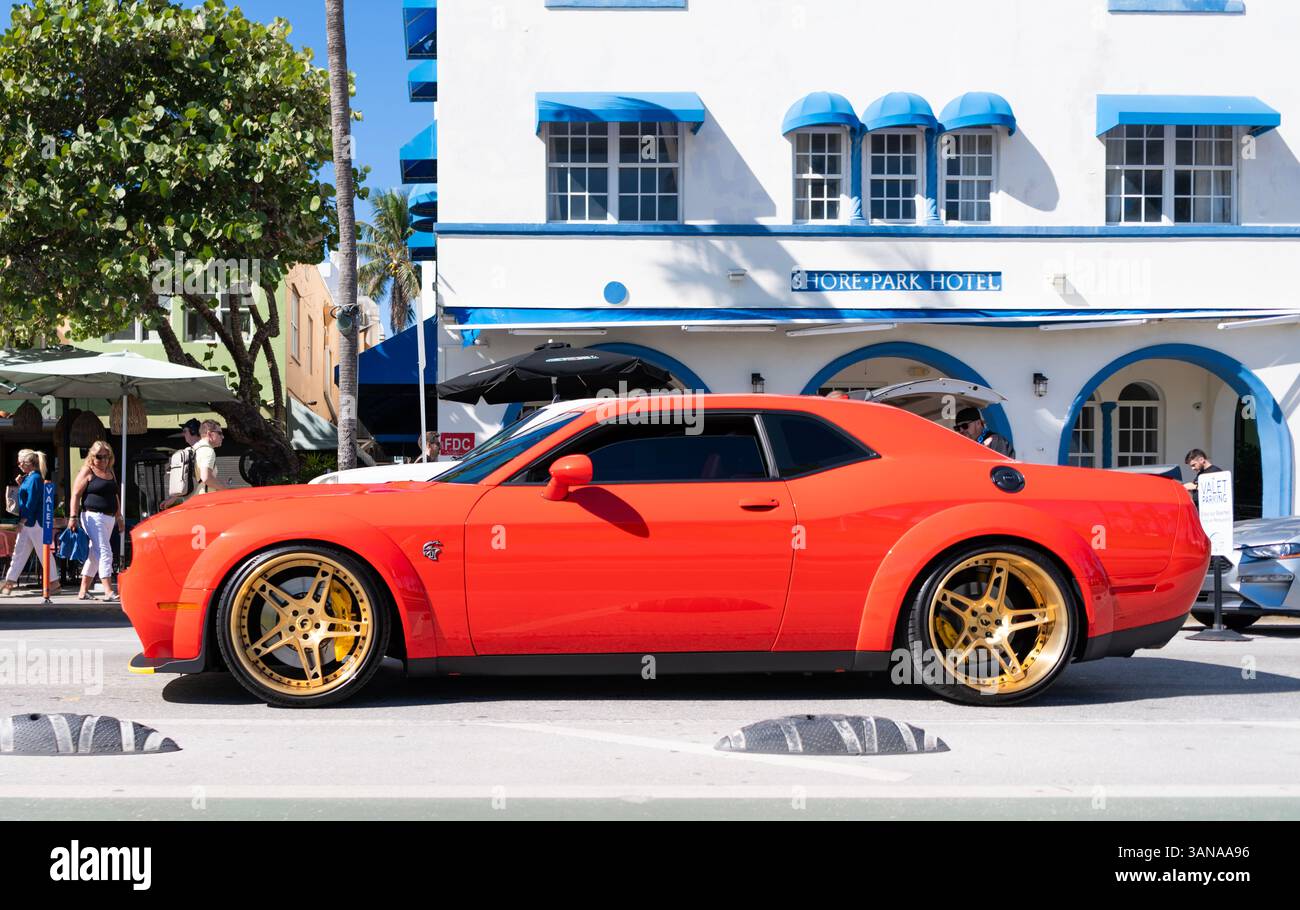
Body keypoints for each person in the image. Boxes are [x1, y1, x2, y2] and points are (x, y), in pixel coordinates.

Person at [69, 440, 123, 602]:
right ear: (92, 457)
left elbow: (115, 495)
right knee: (105, 552)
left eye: (107, 457)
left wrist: (119, 516)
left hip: (109, 517)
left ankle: (83, 591)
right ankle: (108, 590)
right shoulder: (87, 470)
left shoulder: (110, 471)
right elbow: (76, 494)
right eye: (100, 457)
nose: (104, 460)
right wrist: (73, 516)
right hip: (92, 516)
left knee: (95, 554)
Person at [1, 449, 59, 596]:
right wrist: (21, 484)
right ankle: (10, 582)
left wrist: (23, 520)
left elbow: (31, 502)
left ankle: (54, 582)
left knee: (38, 552)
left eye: (21, 461)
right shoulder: (31, 478)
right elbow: (28, 498)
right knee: (22, 552)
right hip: (32, 523)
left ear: (29, 463)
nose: (19, 464)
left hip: (33, 522)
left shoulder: (34, 479)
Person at [192, 419, 227, 494]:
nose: (223, 437)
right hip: (206, 498)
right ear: (209, 434)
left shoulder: (195, 448)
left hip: (195, 497)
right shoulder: (208, 451)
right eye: (219, 433)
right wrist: (224, 488)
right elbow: (206, 478)